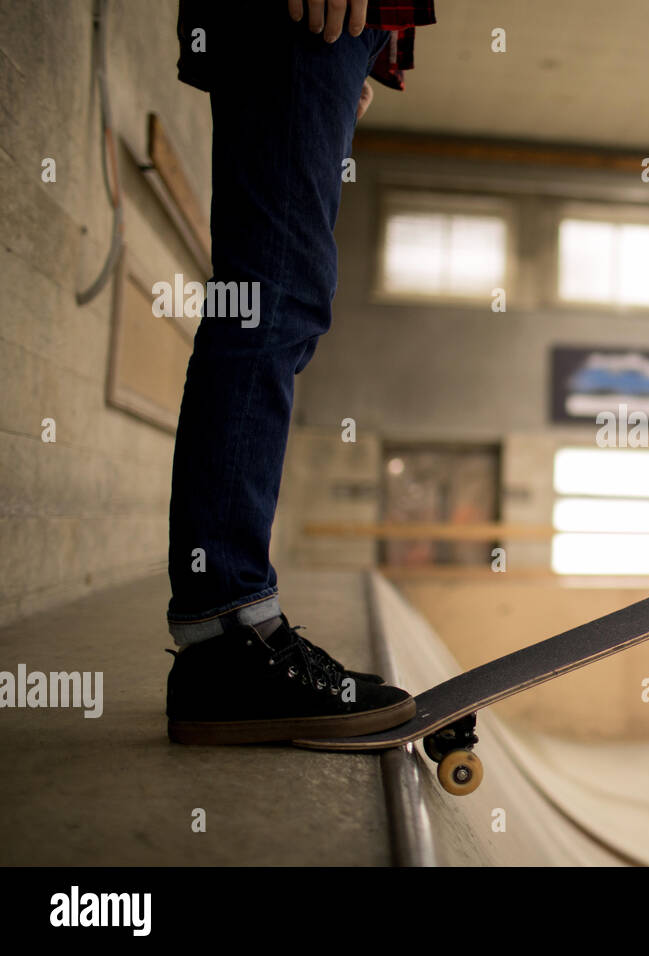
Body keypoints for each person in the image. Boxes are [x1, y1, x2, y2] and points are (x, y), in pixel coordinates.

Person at [165, 1, 436, 744]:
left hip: (338, 35)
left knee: (275, 296)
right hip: (305, 24)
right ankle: (227, 637)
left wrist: (370, 51)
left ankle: (227, 629)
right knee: (273, 297)